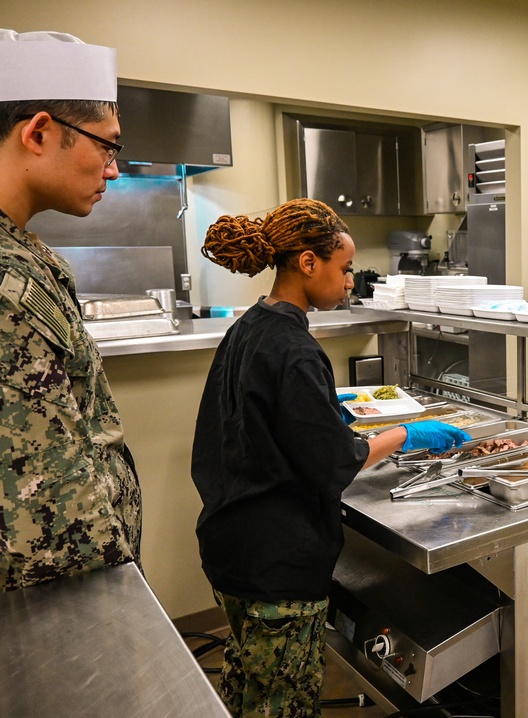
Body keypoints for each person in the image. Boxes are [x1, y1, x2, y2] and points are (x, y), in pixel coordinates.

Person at [192, 198, 471, 717]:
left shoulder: (250, 327)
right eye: (343, 269)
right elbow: (339, 462)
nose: (349, 282)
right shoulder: (294, 350)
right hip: (274, 564)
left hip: (230, 543)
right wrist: (408, 432)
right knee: (283, 702)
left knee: (248, 681)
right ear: (307, 262)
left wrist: (322, 404)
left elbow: (239, 424)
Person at [0, 29, 141, 591]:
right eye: (107, 145)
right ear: (39, 132)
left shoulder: (27, 251)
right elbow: (46, 521)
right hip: (66, 597)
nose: (112, 169)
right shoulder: (9, 284)